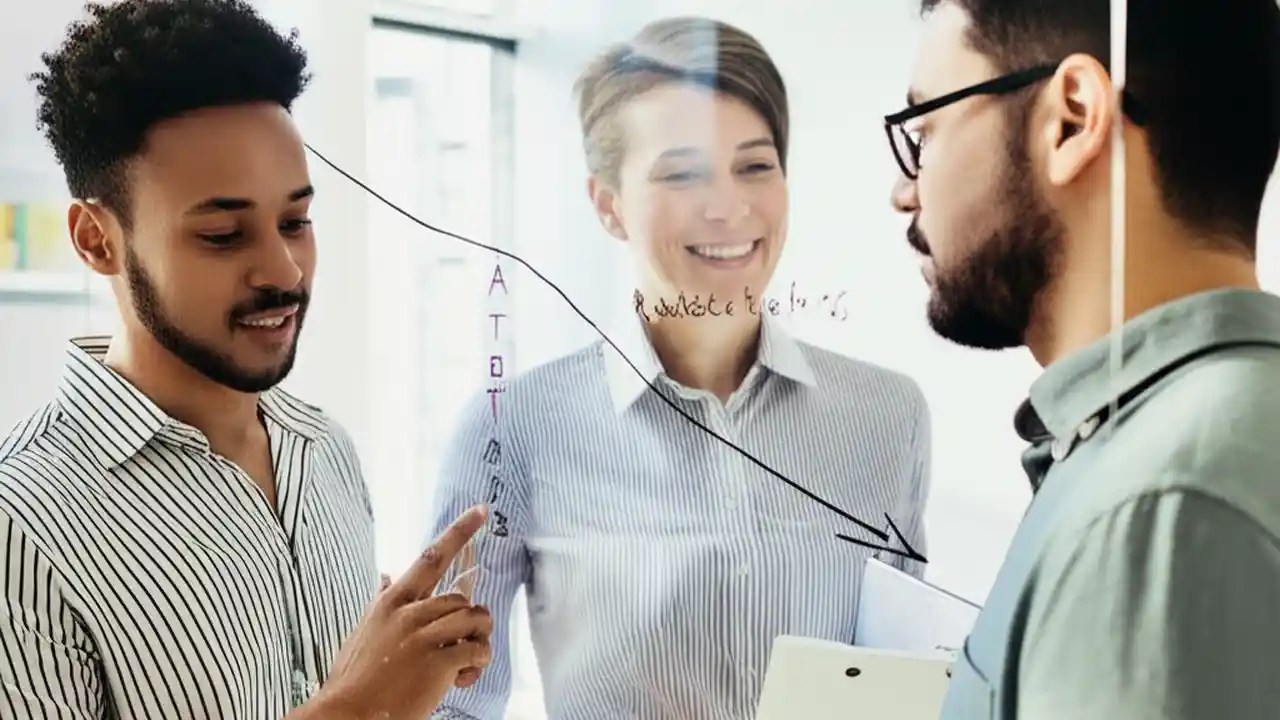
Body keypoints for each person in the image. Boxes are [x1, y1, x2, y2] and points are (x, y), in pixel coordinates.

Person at [428, 15, 932, 720]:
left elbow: (906, 686)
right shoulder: (512, 430)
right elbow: (454, 707)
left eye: (755, 165)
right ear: (608, 204)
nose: (728, 207)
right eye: (682, 173)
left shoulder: (888, 417)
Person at [0, 1, 492, 718]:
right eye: (225, 235)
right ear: (98, 240)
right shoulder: (22, 526)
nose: (285, 270)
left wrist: (419, 665)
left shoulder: (324, 450)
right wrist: (361, 706)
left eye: (295, 221)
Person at [887, 0, 1280, 717]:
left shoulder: (1155, 509)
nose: (903, 191)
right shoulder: (1204, 446)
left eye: (925, 130)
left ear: (1072, 119)